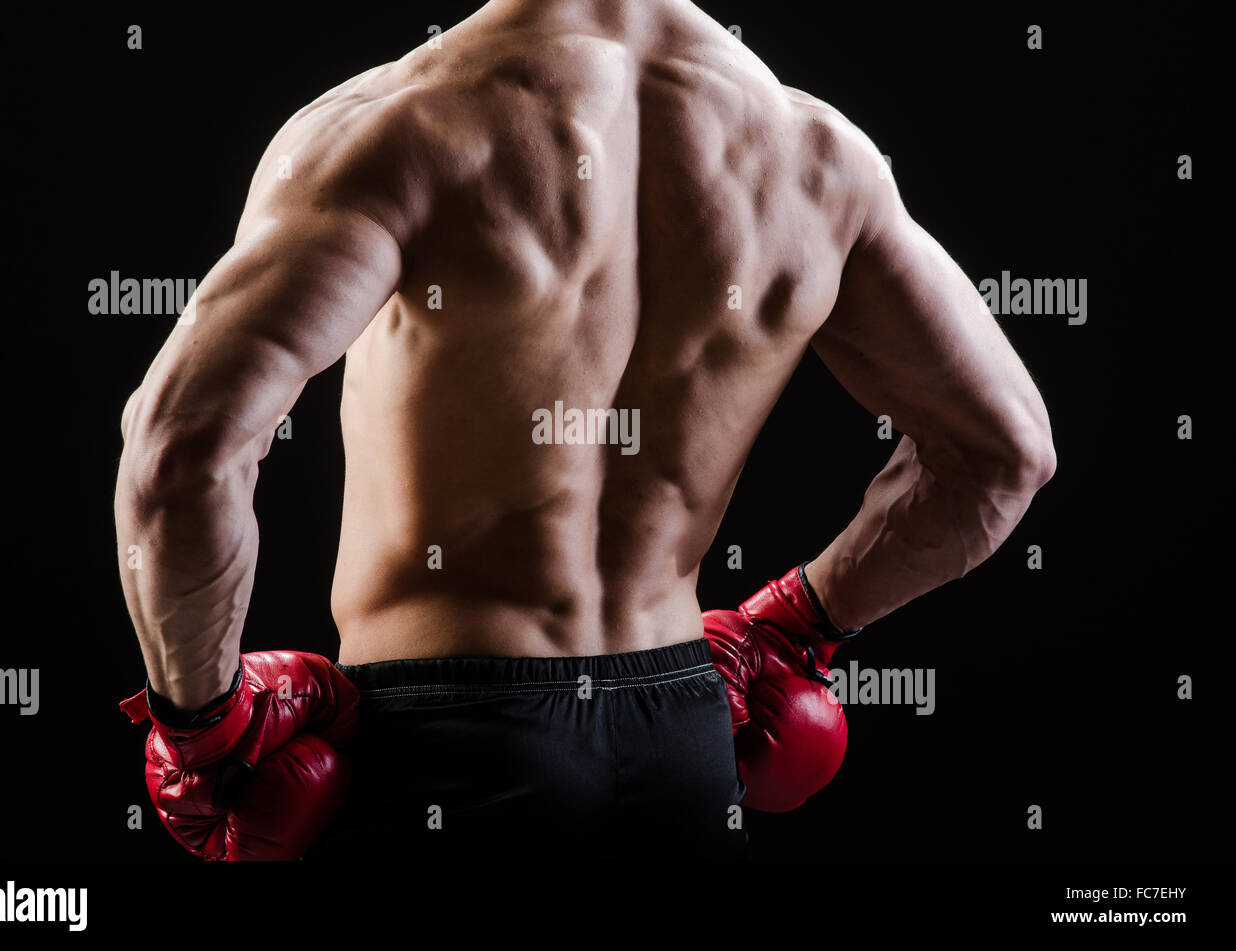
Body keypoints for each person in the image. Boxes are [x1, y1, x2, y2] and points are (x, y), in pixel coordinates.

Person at [115, 0, 1055, 860]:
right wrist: (792, 628)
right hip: (682, 738)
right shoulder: (815, 155)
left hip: (446, 743)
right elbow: (1004, 452)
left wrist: (201, 725)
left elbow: (181, 451)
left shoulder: (398, 126)